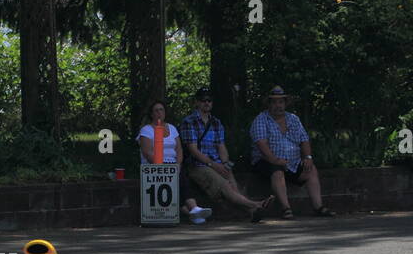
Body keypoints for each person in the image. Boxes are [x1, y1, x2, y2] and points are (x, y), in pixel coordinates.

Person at [180, 87, 273, 223]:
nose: (207, 103)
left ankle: (252, 211)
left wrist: (224, 164)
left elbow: (221, 146)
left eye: (209, 100)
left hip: (217, 163)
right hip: (198, 165)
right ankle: (256, 205)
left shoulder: (216, 122)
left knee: (231, 182)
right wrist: (213, 165)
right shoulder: (189, 122)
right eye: (203, 100)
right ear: (197, 102)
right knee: (225, 185)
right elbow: (194, 151)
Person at [249, 86, 335, 219]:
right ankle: (286, 208)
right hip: (267, 161)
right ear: (269, 104)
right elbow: (262, 146)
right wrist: (276, 161)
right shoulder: (261, 120)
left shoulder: (293, 119)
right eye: (275, 102)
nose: (278, 105)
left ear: (285, 103)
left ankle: (318, 207)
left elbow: (304, 140)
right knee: (277, 171)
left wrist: (308, 157)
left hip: (292, 162)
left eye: (281, 102)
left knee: (311, 169)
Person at [136, 100, 212, 224]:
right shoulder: (147, 130)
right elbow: (147, 153)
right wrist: (163, 168)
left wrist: (177, 165)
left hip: (173, 164)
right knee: (178, 179)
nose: (159, 113)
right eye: (156, 110)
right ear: (151, 114)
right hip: (154, 167)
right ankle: (193, 208)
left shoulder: (172, 128)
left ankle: (193, 214)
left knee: (180, 176)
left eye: (162, 110)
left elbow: (179, 149)